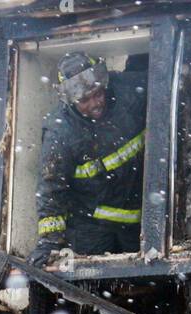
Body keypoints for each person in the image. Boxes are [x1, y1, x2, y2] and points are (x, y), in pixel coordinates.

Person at [31, 52, 148, 265]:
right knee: (95, 286)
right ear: (70, 100)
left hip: (140, 222)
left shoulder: (130, 93)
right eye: (84, 100)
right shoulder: (60, 132)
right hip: (91, 228)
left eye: (97, 93)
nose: (95, 103)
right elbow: (51, 189)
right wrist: (50, 241)